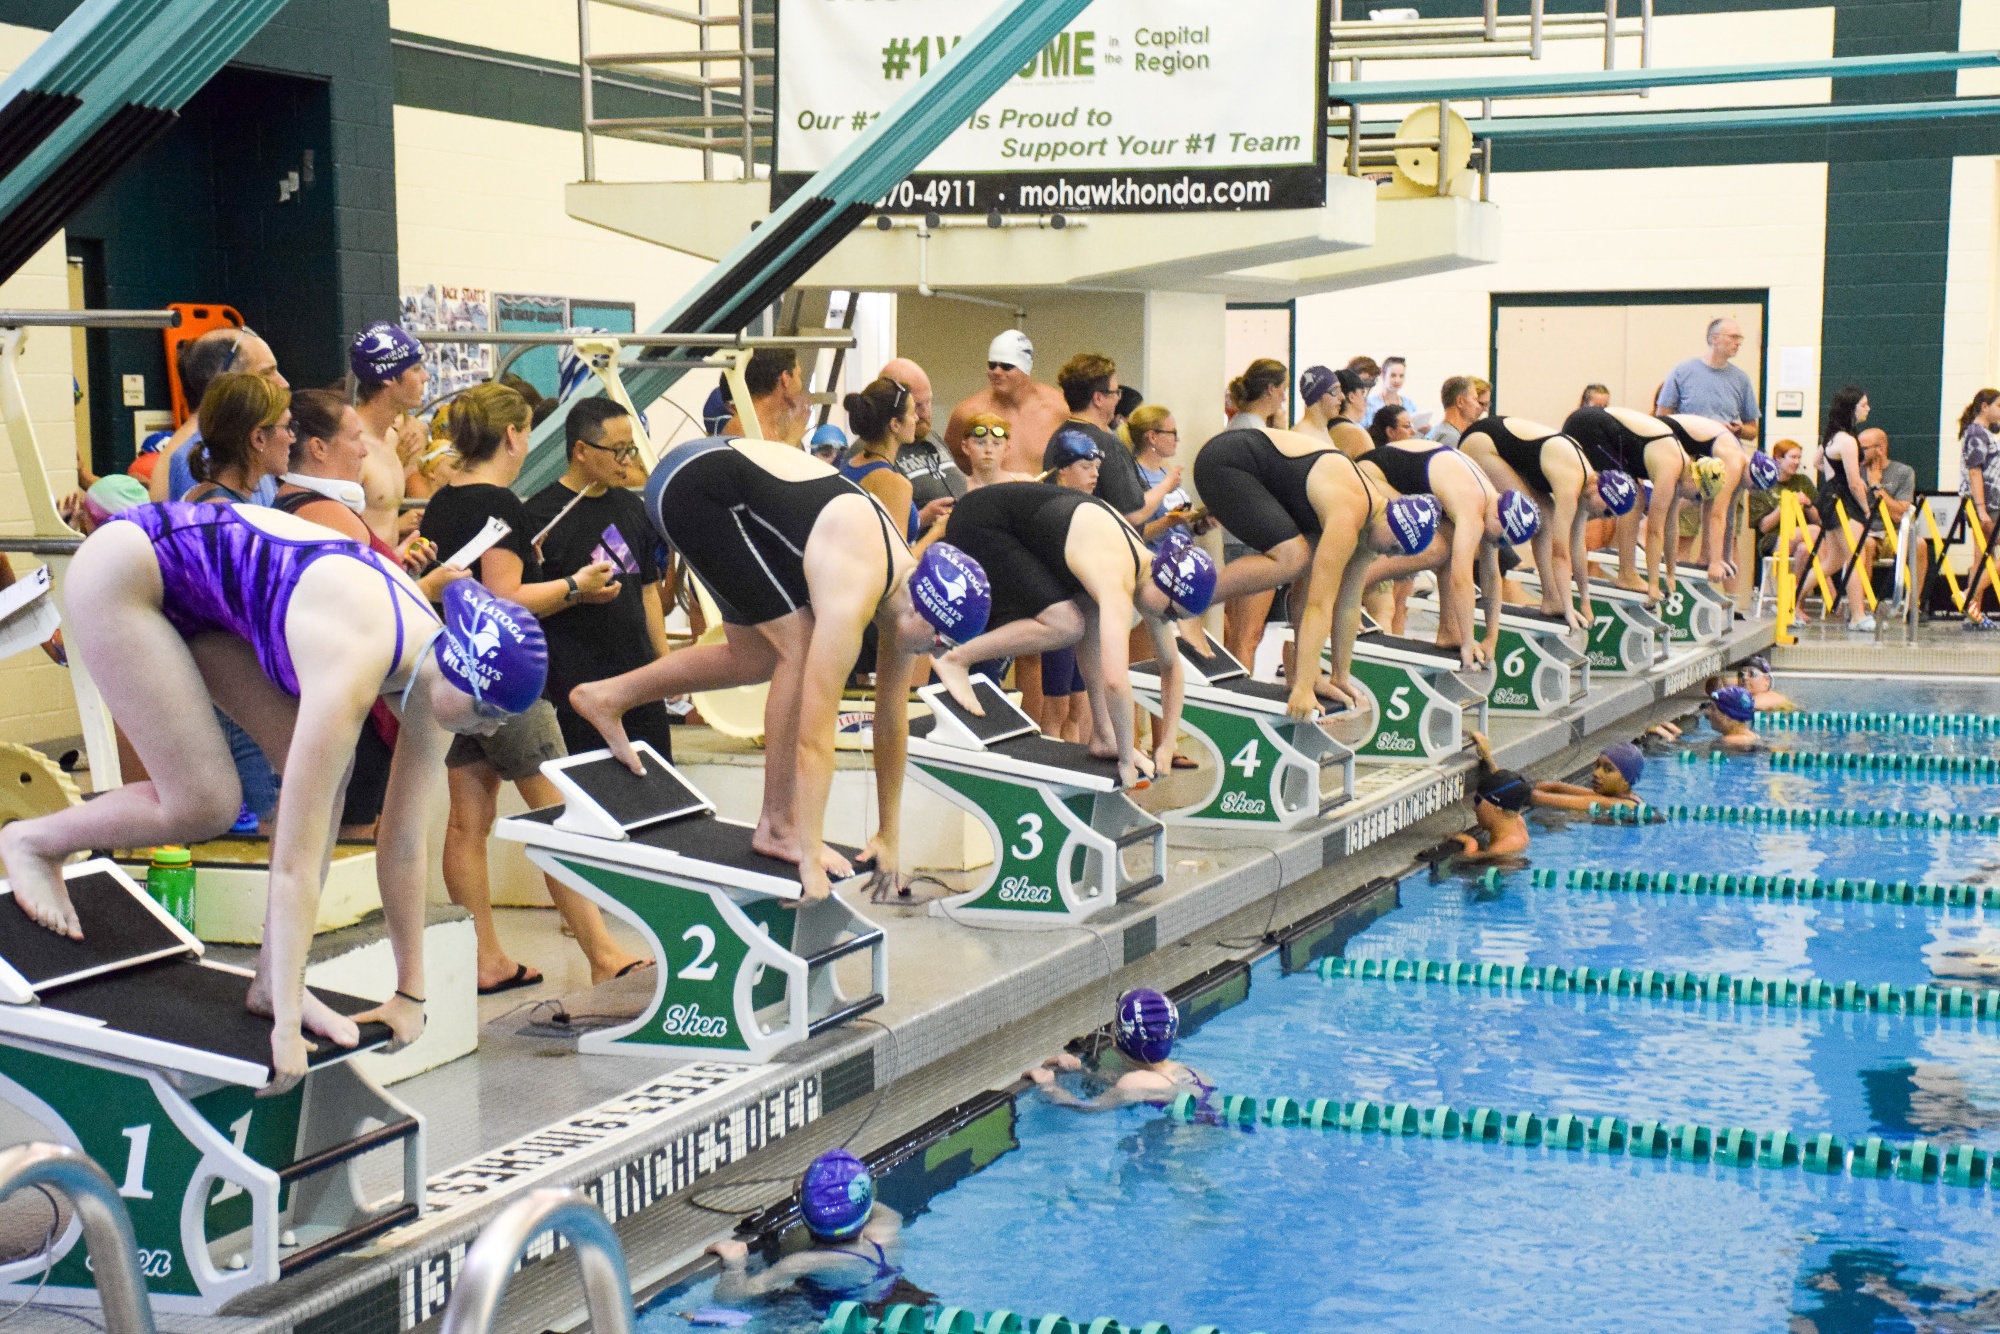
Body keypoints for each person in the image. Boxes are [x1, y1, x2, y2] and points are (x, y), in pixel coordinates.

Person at [0, 487, 550, 1089]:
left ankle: (271, 979)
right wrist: (285, 1029)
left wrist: (410, 994)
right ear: (464, 673)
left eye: (499, 720)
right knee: (205, 803)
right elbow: (292, 862)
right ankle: (33, 842)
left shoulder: (436, 674)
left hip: (203, 599)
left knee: (321, 783)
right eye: (486, 711)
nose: (488, 730)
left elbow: (403, 840)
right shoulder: (356, 660)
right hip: (126, 573)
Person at [574, 436, 990, 900]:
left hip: (724, 490)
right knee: (799, 645)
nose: (936, 653)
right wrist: (809, 855)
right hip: (695, 485)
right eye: (940, 641)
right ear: (920, 610)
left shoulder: (905, 599)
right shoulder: (855, 592)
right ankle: (777, 825)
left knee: (754, 657)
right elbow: (814, 737)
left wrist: (889, 833)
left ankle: (606, 697)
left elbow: (891, 722)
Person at [419, 383, 644, 994]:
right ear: (514, 436)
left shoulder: (444, 501)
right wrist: (574, 586)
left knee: (468, 823)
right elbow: (506, 599)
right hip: (504, 679)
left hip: (455, 674)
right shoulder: (501, 505)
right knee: (559, 817)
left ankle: (485, 957)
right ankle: (602, 953)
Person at [930, 482, 1214, 787]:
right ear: (1163, 581)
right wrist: (1125, 758)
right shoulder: (1117, 574)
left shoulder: (1151, 575)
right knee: (1066, 624)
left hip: (1013, 525)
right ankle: (954, 658)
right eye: (1171, 612)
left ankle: (1104, 736)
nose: (1167, 620)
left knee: (1087, 614)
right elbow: (1115, 681)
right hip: (981, 522)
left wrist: (1167, 744)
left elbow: (1170, 666)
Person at [274, 390, 457, 838]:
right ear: (318, 448)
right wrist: (427, 588)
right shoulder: (324, 514)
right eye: (355, 439)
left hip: (348, 684)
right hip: (350, 689)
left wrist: (397, 561)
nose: (363, 451)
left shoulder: (318, 509)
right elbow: (363, 609)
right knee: (353, 832)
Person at [1191, 424, 1441, 717]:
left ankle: (1310, 676)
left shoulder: (1371, 529)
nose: (1389, 554)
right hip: (1228, 462)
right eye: (1395, 546)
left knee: (1306, 567)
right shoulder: (1351, 514)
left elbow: (1348, 606)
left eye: (1398, 553)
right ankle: (1190, 603)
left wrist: (1339, 676)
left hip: (1256, 471)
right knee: (1293, 558)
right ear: (1391, 520)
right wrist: (1301, 689)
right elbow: (1318, 606)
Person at [524, 399, 676, 764]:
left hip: (638, 685)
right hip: (576, 690)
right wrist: (576, 592)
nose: (627, 462)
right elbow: (523, 605)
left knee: (656, 786)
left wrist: (664, 667)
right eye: (618, 451)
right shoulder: (540, 516)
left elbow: (647, 593)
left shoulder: (633, 508)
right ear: (581, 450)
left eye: (631, 450)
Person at [1360, 424, 1540, 669]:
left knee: (1450, 544)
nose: (1495, 544)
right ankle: (1346, 592)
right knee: (1436, 548)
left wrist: (1492, 637)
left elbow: (1491, 576)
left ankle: (1449, 631)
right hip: (1369, 477)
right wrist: (1468, 641)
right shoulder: (1473, 506)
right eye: (1499, 539)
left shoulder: (1492, 507)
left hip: (1395, 477)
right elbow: (1461, 578)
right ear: (1497, 517)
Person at [1459, 416, 1638, 629]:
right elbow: (1560, 553)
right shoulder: (1572, 483)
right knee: (1543, 517)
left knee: (1546, 513)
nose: (1603, 516)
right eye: (1607, 511)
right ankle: (1552, 599)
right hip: (1480, 444)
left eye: (1609, 515)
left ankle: (1552, 599)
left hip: (1497, 445)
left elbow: (1577, 547)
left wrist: (1585, 600)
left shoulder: (1588, 488)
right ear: (1601, 489)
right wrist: (1568, 607)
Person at [708, 1150, 906, 1304]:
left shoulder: (803, 1262)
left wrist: (734, 1264)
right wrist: (841, 1195)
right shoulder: (885, 1233)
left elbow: (730, 1298)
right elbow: (874, 1207)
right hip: (884, 1302)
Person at [1562, 405, 1701, 602]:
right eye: (1698, 496)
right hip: (1590, 427)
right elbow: (1654, 530)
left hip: (1599, 428)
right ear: (1695, 479)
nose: (1695, 501)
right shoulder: (1672, 467)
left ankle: (1559, 531)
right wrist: (1653, 584)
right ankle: (1626, 574)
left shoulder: (1681, 470)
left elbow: (1671, 526)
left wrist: (1671, 573)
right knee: (1632, 498)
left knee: (1629, 497)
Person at [150, 327, 288, 504]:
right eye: (266, 373)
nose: (283, 383)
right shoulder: (204, 454)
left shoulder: (243, 441)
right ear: (228, 382)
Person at [1026, 988, 1211, 1110]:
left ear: (1118, 1038)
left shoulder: (1132, 1081)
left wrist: (1049, 1086)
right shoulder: (1190, 1073)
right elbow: (1115, 1082)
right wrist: (1079, 1070)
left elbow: (1089, 1108)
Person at [1037, 430, 1102, 741]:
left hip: (1084, 610)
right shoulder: (1048, 507)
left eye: (1097, 468)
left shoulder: (1090, 507)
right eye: (1086, 467)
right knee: (1057, 706)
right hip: (1059, 610)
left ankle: (1071, 763)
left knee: (1078, 705)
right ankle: (1048, 764)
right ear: (1062, 470)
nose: (1094, 474)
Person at [1045, 353, 1159, 528]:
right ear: (1098, 398)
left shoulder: (1055, 439)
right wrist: (1167, 484)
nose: (1118, 398)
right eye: (1115, 392)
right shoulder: (1108, 445)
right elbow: (1132, 515)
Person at [945, 330, 1070, 475]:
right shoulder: (969, 413)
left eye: (1006, 366)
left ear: (1025, 369)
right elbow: (949, 461)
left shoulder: (1058, 406)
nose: (996, 372)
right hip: (994, 489)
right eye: (992, 365)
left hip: (1046, 488)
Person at [349, 322, 430, 545]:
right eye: (416, 369)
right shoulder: (352, 447)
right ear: (388, 378)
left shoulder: (393, 439)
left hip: (389, 564)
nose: (425, 377)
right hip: (363, 566)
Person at [838, 378, 932, 548]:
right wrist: (937, 532)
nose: (917, 418)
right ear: (895, 424)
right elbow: (896, 560)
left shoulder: (852, 464)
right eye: (912, 413)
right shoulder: (894, 484)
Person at [1814, 386, 1875, 632]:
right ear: (1851, 408)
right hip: (1842, 501)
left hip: (1830, 497)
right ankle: (1858, 615)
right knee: (1855, 556)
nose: (1868, 408)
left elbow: (1817, 462)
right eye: (1864, 405)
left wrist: (1832, 476)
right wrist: (1866, 509)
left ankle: (1792, 600)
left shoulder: (1832, 437)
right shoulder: (1848, 441)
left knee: (1833, 561)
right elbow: (1855, 482)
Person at [878, 357, 965, 516]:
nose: (925, 413)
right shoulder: (876, 450)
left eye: (929, 402)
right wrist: (923, 517)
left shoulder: (932, 437)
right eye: (917, 405)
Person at [1655, 317, 1761, 446]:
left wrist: (1739, 430)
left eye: (1740, 338)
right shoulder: (1681, 372)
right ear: (1715, 338)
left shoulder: (1741, 379)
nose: (1739, 343)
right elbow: (1662, 419)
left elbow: (1752, 431)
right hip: (1690, 451)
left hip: (1727, 451)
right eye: (1733, 337)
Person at [1452, 732, 1531, 861]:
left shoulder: (1502, 847)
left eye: (1477, 801)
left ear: (1497, 808)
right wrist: (1486, 755)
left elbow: (1468, 858)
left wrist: (1469, 841)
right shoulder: (1516, 820)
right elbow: (1506, 786)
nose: (1474, 808)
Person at [1127, 404, 1199, 546]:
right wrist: (1169, 521)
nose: (1177, 439)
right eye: (1173, 433)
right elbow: (1132, 534)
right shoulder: (1133, 476)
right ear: (1152, 437)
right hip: (1155, 557)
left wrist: (1200, 526)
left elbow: (1178, 528)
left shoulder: (1166, 472)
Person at [1959, 389, 2000, 629]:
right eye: (1999, 406)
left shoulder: (1984, 433)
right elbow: (1975, 472)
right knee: (1984, 558)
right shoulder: (1976, 433)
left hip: (1990, 504)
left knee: (1982, 559)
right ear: (1984, 406)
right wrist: (1982, 509)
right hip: (1988, 505)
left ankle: (1973, 614)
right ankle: (1968, 595)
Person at [1748, 439, 1819, 568]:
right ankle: (1827, 578)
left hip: (1801, 535)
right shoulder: (1763, 485)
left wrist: (1808, 504)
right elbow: (1763, 527)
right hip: (1773, 539)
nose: (1797, 462)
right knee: (1815, 532)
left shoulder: (1803, 481)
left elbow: (1818, 520)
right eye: (1793, 457)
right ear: (1778, 458)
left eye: (1799, 458)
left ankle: (1799, 582)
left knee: (1804, 549)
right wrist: (1784, 506)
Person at [723, 348, 810, 445]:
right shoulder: (743, 426)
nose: (801, 385)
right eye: (799, 376)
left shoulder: (775, 428)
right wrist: (791, 441)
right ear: (785, 378)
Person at [1533, 741, 1644, 812]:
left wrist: (1525, 791)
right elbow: (1557, 787)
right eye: (1598, 766)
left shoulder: (1621, 805)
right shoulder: (1621, 796)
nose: (1596, 773)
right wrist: (1533, 785)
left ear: (1626, 779)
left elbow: (1538, 798)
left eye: (1608, 769)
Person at [959, 413, 1028, 489]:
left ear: (1006, 449)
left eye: (996, 444)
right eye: (980, 443)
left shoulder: (1024, 484)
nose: (989, 450)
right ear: (965, 447)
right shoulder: (956, 490)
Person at [1228, 359, 1288, 429]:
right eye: (1284, 389)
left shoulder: (1239, 420)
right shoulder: (1255, 428)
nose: (1284, 399)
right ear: (1271, 389)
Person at [1429, 376, 1483, 449]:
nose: (1478, 406)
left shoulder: (1439, 432)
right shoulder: (1451, 439)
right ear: (1460, 401)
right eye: (1475, 399)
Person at [1705, 684, 1764, 750]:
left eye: (1713, 708)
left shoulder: (1727, 742)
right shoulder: (1755, 737)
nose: (1708, 713)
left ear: (1728, 716)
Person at [1292, 365, 1341, 443]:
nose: (1342, 397)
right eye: (1335, 391)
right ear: (1317, 396)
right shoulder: (1303, 436)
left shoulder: (1322, 431)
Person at [1364, 355, 1408, 420]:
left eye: (1401, 376)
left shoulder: (1408, 404)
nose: (1397, 380)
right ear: (1383, 375)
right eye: (1393, 375)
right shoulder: (1370, 404)